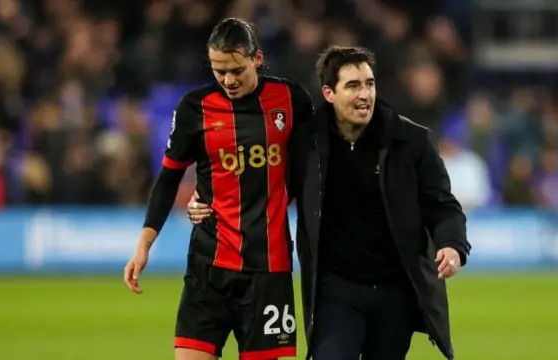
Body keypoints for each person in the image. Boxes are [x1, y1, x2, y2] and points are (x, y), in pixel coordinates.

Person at [186, 45, 472, 360]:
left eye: (370, 83)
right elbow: (266, 189)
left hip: (396, 292)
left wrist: (452, 245)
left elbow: (442, 205)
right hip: (337, 291)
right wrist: (210, 198)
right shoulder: (305, 143)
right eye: (353, 85)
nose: (365, 94)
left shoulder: (411, 141)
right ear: (328, 93)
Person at [123, 18, 314, 360]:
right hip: (208, 265)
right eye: (218, 70)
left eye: (236, 70)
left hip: (268, 270)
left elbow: (306, 175)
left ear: (257, 58)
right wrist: (143, 244)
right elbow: (168, 178)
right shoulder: (194, 108)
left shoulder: (291, 99)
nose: (228, 80)